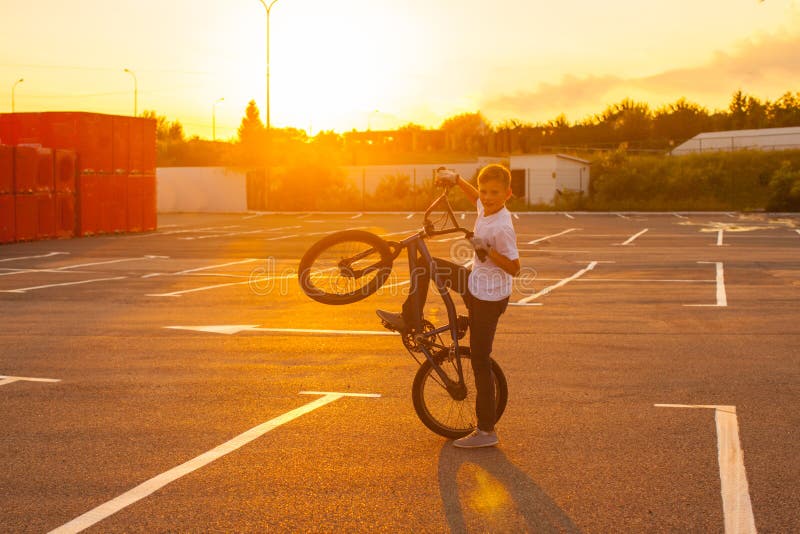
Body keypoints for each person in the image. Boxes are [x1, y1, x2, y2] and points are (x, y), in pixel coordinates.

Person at [377, 164, 520, 448]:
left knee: (480, 361)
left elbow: (515, 267)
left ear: (508, 194)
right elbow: (475, 198)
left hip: (488, 298)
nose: (487, 197)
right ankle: (410, 318)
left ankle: (487, 431)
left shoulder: (502, 226)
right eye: (485, 191)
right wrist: (456, 180)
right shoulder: (486, 207)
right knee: (426, 266)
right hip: (475, 282)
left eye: (495, 193)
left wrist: (486, 251)